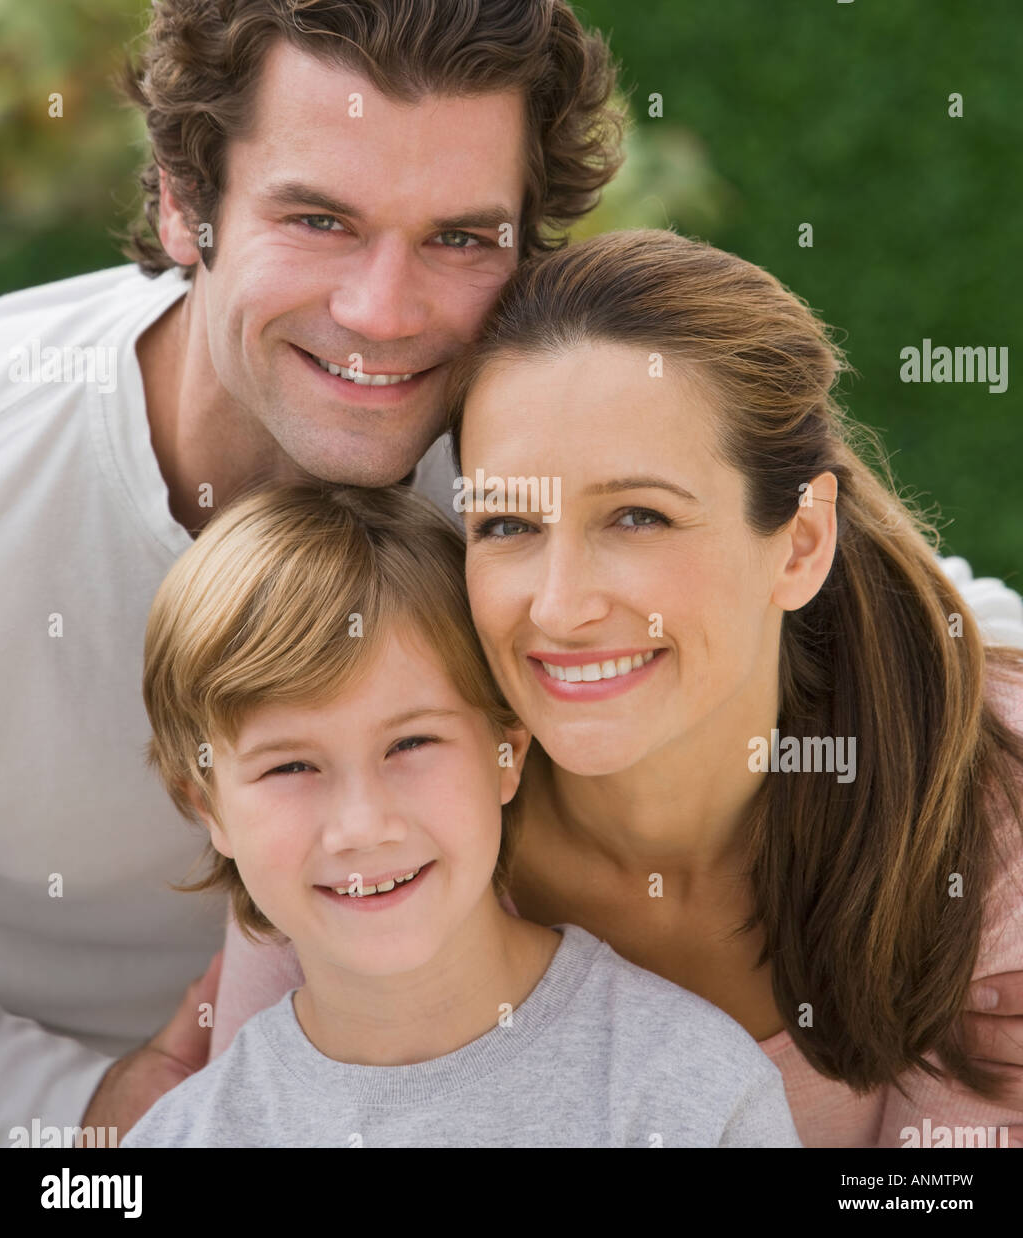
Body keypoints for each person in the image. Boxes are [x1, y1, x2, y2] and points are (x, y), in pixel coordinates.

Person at [0, 0, 624, 1147]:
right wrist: (80, 1117)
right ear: (186, 203)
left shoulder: (543, 450)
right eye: (321, 220)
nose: (384, 314)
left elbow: (910, 606)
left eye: (460, 238)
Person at [214, 230, 1023, 1147]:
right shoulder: (363, 789)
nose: (560, 609)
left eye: (638, 516)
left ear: (800, 543)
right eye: (508, 524)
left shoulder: (982, 811)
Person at [119, 482, 801, 1148]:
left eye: (411, 744)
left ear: (508, 751)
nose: (364, 825)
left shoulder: (691, 1093)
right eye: (290, 767)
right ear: (208, 806)